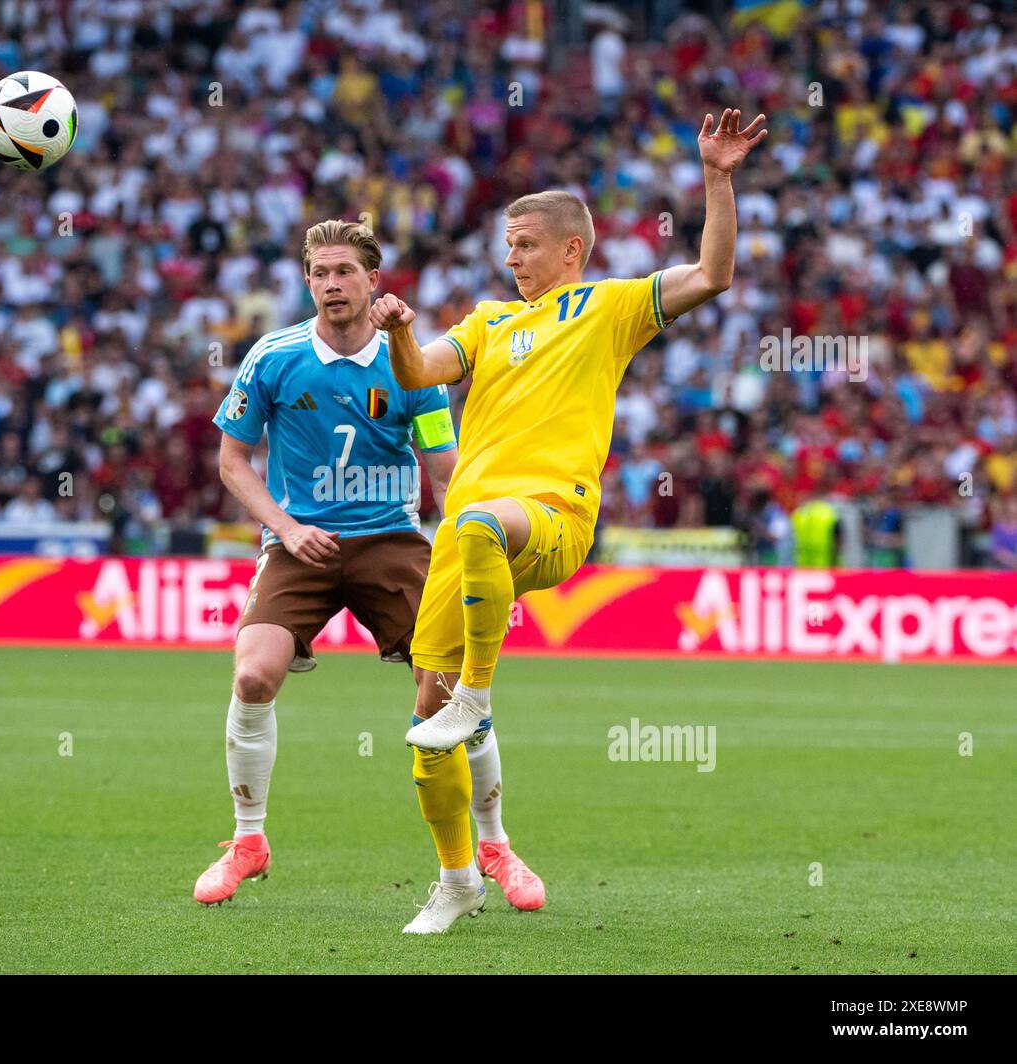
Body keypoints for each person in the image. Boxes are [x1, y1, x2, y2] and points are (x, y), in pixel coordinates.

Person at [370, 108, 768, 933]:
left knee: (476, 529)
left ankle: (479, 697)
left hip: (552, 515)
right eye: (506, 246)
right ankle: (455, 880)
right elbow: (418, 379)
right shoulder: (486, 322)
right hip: (466, 538)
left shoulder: (608, 307)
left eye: (523, 244)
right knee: (421, 724)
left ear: (570, 250)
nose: (510, 257)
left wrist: (718, 180)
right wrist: (402, 332)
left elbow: (711, 275)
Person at [195, 219, 545, 910]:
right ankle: (247, 841)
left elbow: (448, 475)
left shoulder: (411, 365)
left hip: (392, 540)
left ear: (372, 280)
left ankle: (495, 844)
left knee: (451, 690)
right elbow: (231, 462)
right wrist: (288, 529)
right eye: (319, 273)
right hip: (301, 545)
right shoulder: (273, 357)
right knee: (252, 674)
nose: (331, 285)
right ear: (307, 282)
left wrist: (485, 566)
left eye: (344, 272)